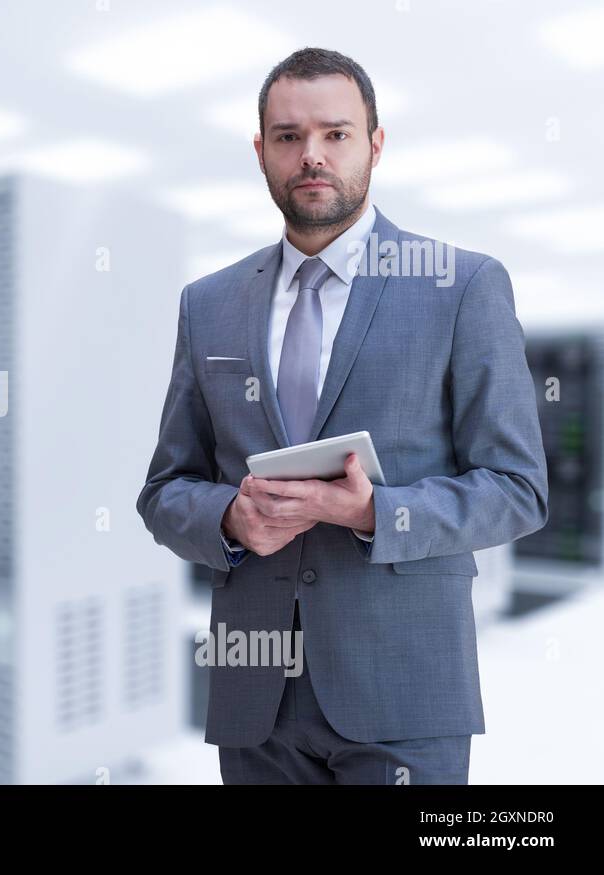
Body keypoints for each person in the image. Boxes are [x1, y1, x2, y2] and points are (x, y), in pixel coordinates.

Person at [135, 47, 549, 784]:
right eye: (289, 137)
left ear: (376, 144)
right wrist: (229, 518)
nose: (312, 156)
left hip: (404, 697)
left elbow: (519, 488)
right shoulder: (209, 304)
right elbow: (165, 490)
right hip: (254, 695)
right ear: (261, 152)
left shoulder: (463, 287)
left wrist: (374, 512)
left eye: (336, 133)